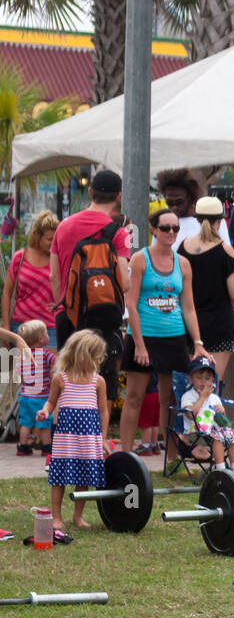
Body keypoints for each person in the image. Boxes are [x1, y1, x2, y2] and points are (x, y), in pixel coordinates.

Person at [119, 208, 208, 454]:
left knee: (170, 400)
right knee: (135, 397)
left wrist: (198, 342)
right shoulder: (140, 259)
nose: (171, 232)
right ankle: (126, 455)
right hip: (145, 335)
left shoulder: (183, 264)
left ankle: (171, 457)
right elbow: (131, 304)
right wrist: (138, 344)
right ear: (154, 230)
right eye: (166, 228)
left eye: (175, 228)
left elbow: (188, 308)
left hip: (174, 337)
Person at [49, 171, 130, 400]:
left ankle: (64, 435)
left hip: (69, 316)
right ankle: (98, 437)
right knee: (99, 391)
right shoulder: (119, 232)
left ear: (90, 192)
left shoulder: (63, 226)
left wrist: (65, 303)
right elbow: (123, 282)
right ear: (118, 197)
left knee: (66, 385)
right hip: (102, 319)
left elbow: (54, 276)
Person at [36, 330, 109, 541]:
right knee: (59, 477)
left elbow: (103, 411)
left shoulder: (98, 381)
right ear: (83, 356)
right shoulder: (61, 379)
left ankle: (78, 516)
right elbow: (51, 402)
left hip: (89, 437)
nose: (100, 360)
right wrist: (45, 411)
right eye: (97, 356)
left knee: (83, 477)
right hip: (66, 438)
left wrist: (102, 439)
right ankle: (56, 517)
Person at [178, 196, 234, 384]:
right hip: (219, 325)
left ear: (197, 219)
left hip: (190, 325)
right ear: (220, 220)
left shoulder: (183, 247)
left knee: (191, 384)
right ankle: (207, 415)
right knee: (211, 384)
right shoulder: (225, 250)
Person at [1, 210, 59, 347]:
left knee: (47, 367)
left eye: (55, 239)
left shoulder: (57, 260)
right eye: (49, 239)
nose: (53, 243)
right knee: (21, 368)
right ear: (37, 236)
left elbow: (69, 288)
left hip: (48, 328)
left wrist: (61, 302)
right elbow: (7, 293)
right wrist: (6, 326)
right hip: (20, 326)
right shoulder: (20, 258)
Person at [179, 356, 234, 471]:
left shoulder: (214, 398)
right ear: (190, 378)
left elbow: (224, 424)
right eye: (199, 377)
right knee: (217, 437)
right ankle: (221, 470)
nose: (203, 381)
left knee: (233, 436)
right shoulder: (188, 396)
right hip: (195, 434)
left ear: (213, 380)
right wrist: (202, 398)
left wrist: (222, 413)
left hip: (213, 432)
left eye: (207, 378)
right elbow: (189, 415)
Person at [155, 168, 229, 251]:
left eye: (179, 202)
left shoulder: (212, 219)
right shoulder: (162, 222)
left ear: (190, 198)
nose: (174, 207)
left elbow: (227, 253)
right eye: (169, 203)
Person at [15, 319, 55, 456]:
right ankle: (46, 447)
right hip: (41, 398)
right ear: (41, 339)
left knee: (26, 422)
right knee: (44, 422)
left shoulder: (22, 356)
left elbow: (17, 372)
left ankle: (23, 446)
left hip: (25, 397)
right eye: (46, 333)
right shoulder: (46, 355)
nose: (48, 335)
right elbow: (58, 366)